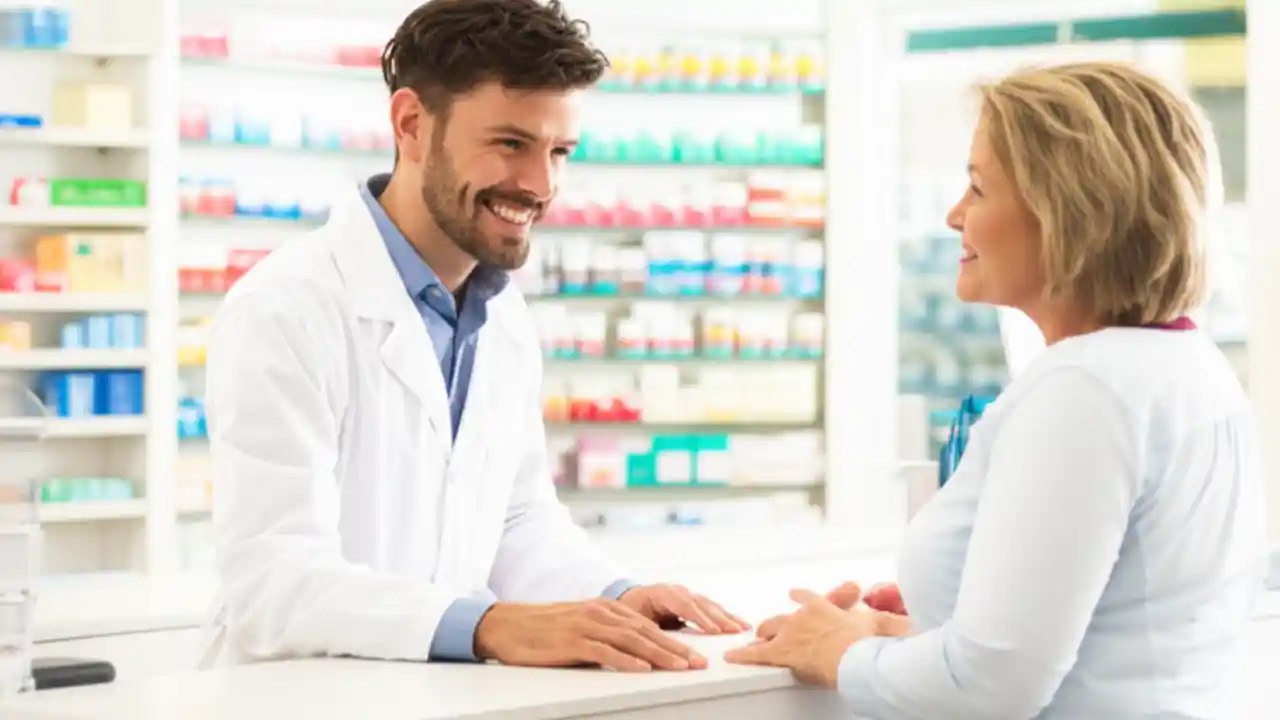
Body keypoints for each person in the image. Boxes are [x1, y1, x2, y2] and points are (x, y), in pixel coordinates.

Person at [199, 0, 748, 670]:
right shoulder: (285, 308)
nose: (542, 185)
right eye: (510, 144)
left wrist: (616, 598)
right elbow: (273, 582)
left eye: (559, 152)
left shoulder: (501, 314)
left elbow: (516, 522)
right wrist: (486, 625)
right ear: (411, 125)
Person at [726, 62, 1269, 718]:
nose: (955, 214)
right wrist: (915, 635)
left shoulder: (1084, 389)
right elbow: (1113, 633)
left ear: (1067, 209)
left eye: (978, 188)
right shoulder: (1183, 364)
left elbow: (989, 685)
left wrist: (836, 651)